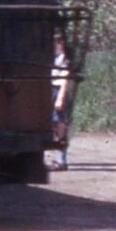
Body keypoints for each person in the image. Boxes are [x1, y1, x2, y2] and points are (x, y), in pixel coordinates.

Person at [48, 28, 72, 172]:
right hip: (52, 89)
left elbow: (65, 79)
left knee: (60, 124)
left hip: (59, 90)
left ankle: (61, 160)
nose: (55, 44)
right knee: (53, 124)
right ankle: (57, 159)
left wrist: (60, 98)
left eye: (58, 41)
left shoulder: (66, 58)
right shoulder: (54, 57)